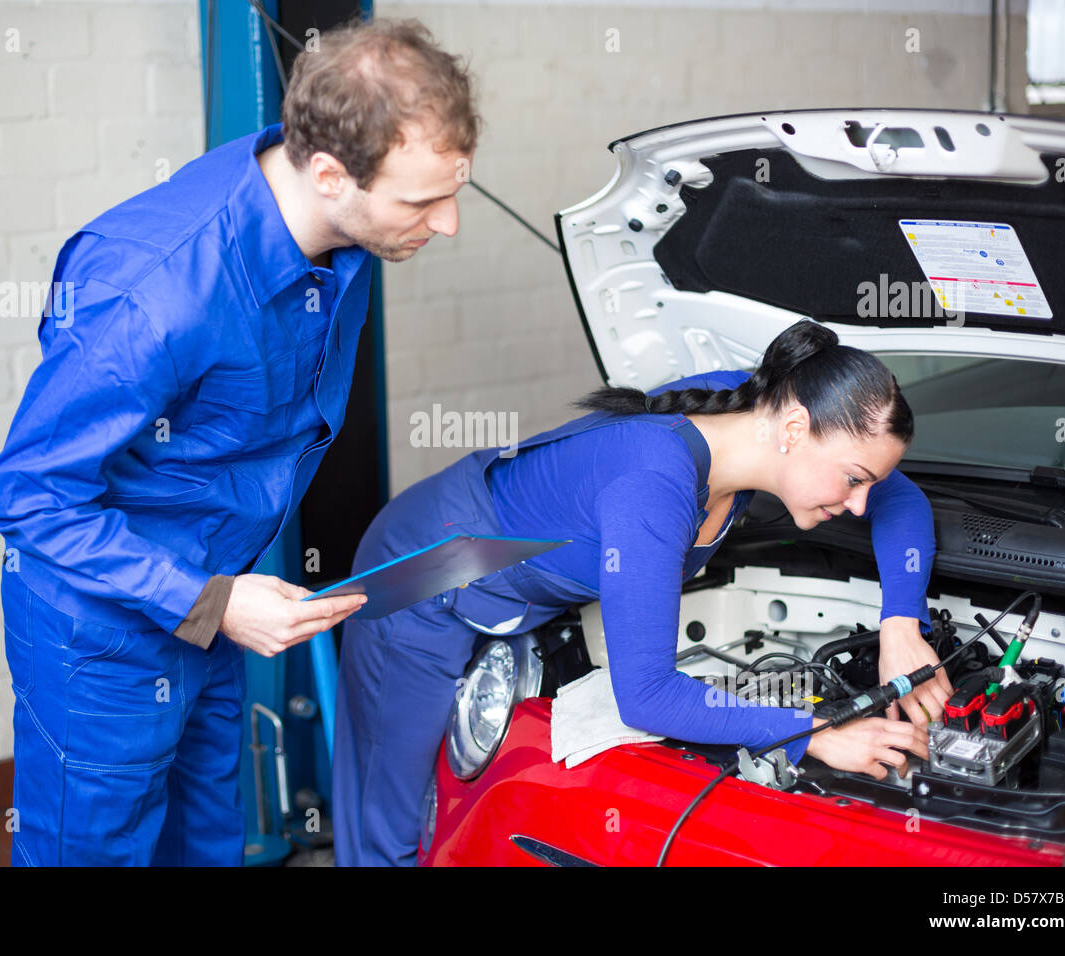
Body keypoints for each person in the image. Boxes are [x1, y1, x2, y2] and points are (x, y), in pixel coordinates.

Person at [0, 18, 479, 866]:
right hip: (102, 638)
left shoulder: (340, 238)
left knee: (208, 848)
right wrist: (211, 600)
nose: (450, 223)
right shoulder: (152, 289)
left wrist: (220, 604)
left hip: (213, 612)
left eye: (455, 189)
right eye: (422, 200)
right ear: (328, 173)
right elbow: (28, 496)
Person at [333, 319, 954, 866]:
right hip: (425, 574)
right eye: (852, 479)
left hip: (520, 583)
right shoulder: (653, 487)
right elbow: (648, 698)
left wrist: (902, 625)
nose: (859, 503)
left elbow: (903, 498)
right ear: (795, 427)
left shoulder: (757, 400)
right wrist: (815, 732)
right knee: (389, 820)